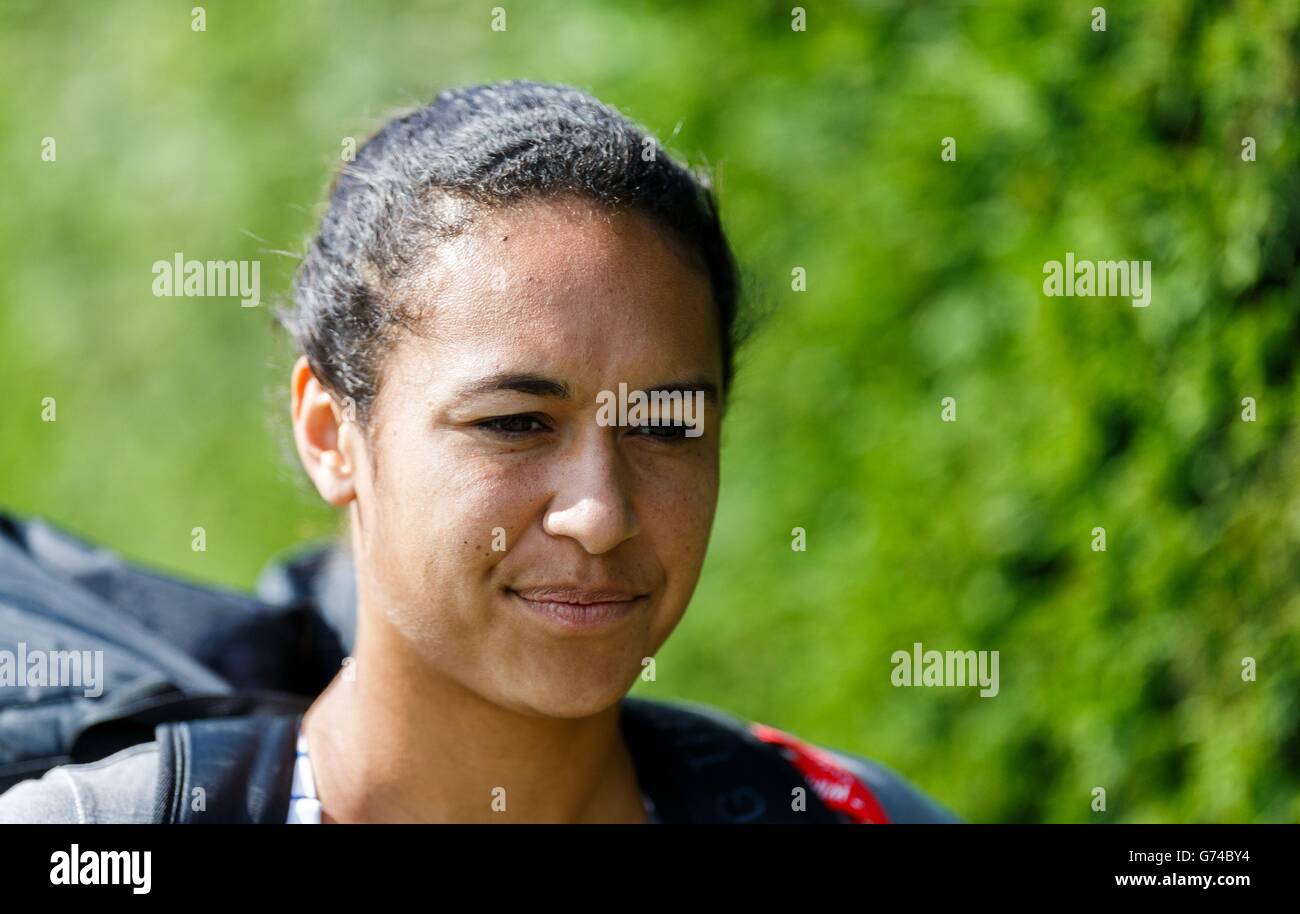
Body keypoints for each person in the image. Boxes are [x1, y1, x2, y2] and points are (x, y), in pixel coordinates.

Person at [0, 80, 960, 824]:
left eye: (665, 424)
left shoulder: (845, 812)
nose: (601, 513)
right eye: (514, 422)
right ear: (332, 434)